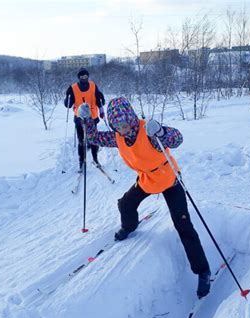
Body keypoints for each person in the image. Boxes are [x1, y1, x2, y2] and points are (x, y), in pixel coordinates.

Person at [77, 97, 212, 298]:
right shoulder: (117, 137)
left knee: (183, 225)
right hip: (147, 180)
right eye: (117, 125)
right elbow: (95, 137)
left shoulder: (148, 132)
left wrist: (161, 132)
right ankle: (129, 226)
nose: (122, 128)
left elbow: (177, 139)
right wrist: (87, 119)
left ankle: (203, 271)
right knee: (125, 204)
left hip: (169, 179)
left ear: (131, 119)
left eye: (124, 123)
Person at [64, 68, 105, 172]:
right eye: (81, 76)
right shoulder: (73, 88)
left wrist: (101, 108)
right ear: (78, 77)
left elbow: (99, 101)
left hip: (92, 117)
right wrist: (67, 96)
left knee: (93, 140)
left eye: (85, 76)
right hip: (80, 119)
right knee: (81, 141)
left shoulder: (93, 85)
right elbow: (68, 105)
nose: (84, 78)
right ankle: (81, 163)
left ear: (88, 76)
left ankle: (95, 160)